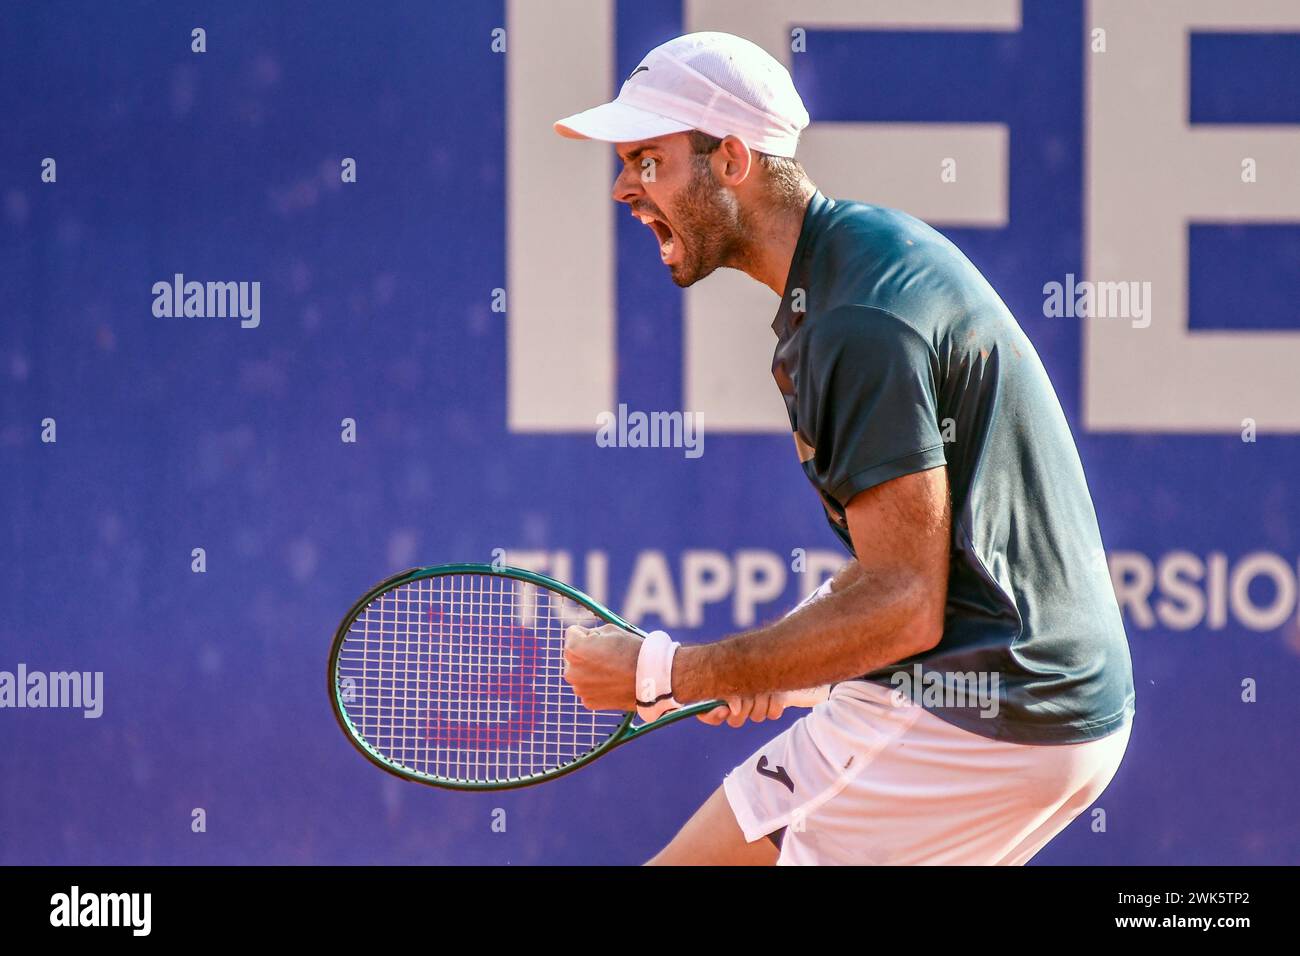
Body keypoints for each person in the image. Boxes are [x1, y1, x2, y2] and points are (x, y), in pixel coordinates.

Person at [556, 32, 1135, 865]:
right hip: (1031, 701)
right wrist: (774, 667)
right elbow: (909, 563)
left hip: (986, 710)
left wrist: (672, 672)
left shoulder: (854, 321)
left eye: (648, 159)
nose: (623, 187)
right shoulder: (853, 264)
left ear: (730, 160)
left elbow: (904, 602)